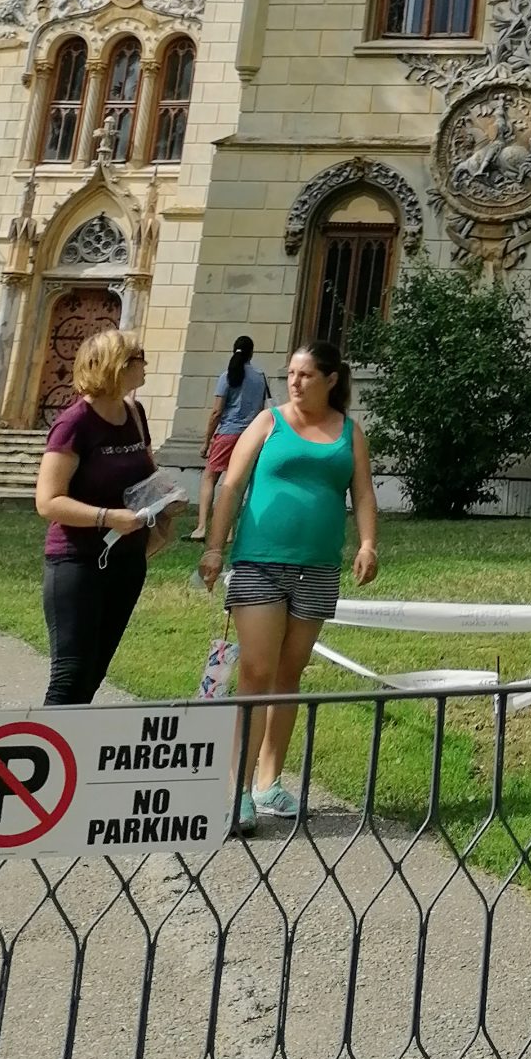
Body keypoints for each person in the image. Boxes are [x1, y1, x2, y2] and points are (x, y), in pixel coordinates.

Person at [197, 340, 379, 826]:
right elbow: (231, 485)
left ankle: (268, 783)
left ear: (331, 380)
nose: (294, 383)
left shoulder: (349, 432)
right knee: (257, 671)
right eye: (291, 374)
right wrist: (214, 547)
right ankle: (238, 791)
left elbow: (363, 492)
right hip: (259, 563)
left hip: (317, 568)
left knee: (288, 674)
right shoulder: (268, 422)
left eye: (305, 375)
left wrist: (367, 544)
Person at [33, 326, 174, 703]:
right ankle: (43, 741)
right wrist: (108, 517)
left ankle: (73, 741)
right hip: (77, 561)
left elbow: (145, 473)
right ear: (117, 365)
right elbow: (48, 501)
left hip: (127, 561)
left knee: (94, 673)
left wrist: (165, 498)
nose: (146, 364)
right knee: (70, 675)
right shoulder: (74, 423)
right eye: (139, 358)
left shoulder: (135, 413)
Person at [190, 336, 269, 541]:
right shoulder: (260, 377)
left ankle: (201, 527)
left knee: (210, 477)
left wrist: (207, 441)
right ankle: (230, 530)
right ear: (252, 353)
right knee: (235, 483)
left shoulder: (226, 376)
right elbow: (262, 409)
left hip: (227, 433)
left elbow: (217, 412)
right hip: (249, 436)